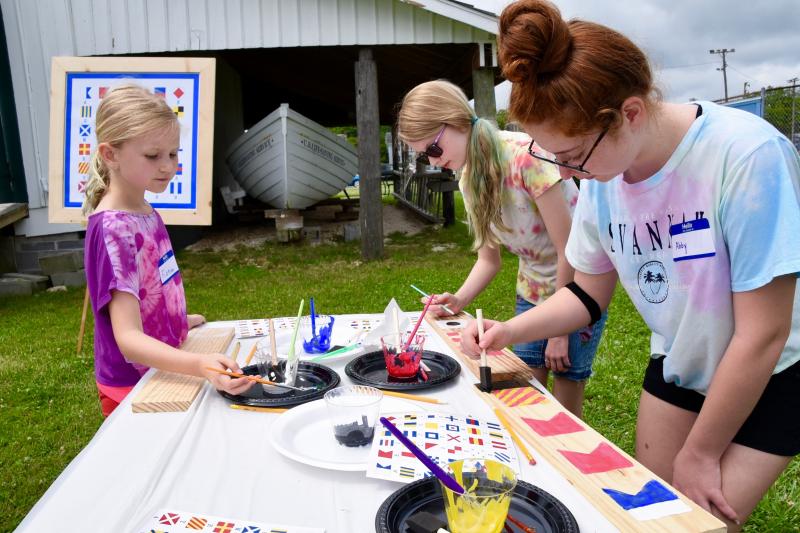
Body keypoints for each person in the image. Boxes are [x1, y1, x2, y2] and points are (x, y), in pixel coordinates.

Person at [460, 0, 800, 529]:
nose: (566, 171)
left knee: (696, 524)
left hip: (774, 372)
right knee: (648, 518)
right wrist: (510, 330)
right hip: (682, 361)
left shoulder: (748, 157)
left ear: (631, 113)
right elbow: (587, 294)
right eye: (554, 157)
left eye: (572, 155)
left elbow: (764, 332)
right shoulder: (603, 180)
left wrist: (702, 452)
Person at [397, 80, 607, 417]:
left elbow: (568, 247)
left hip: (578, 288)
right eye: (424, 156)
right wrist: (458, 301)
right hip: (531, 288)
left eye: (433, 150)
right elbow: (488, 259)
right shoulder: (468, 178)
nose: (433, 162)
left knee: (566, 396)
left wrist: (561, 330)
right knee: (528, 397)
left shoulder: (527, 157)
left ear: (454, 121)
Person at [82, 85, 253, 416]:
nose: (167, 166)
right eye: (152, 155)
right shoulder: (114, 230)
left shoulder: (145, 210)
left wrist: (174, 323)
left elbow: (153, 284)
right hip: (132, 385)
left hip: (162, 360)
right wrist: (200, 364)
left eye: (173, 154)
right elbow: (128, 338)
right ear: (110, 154)